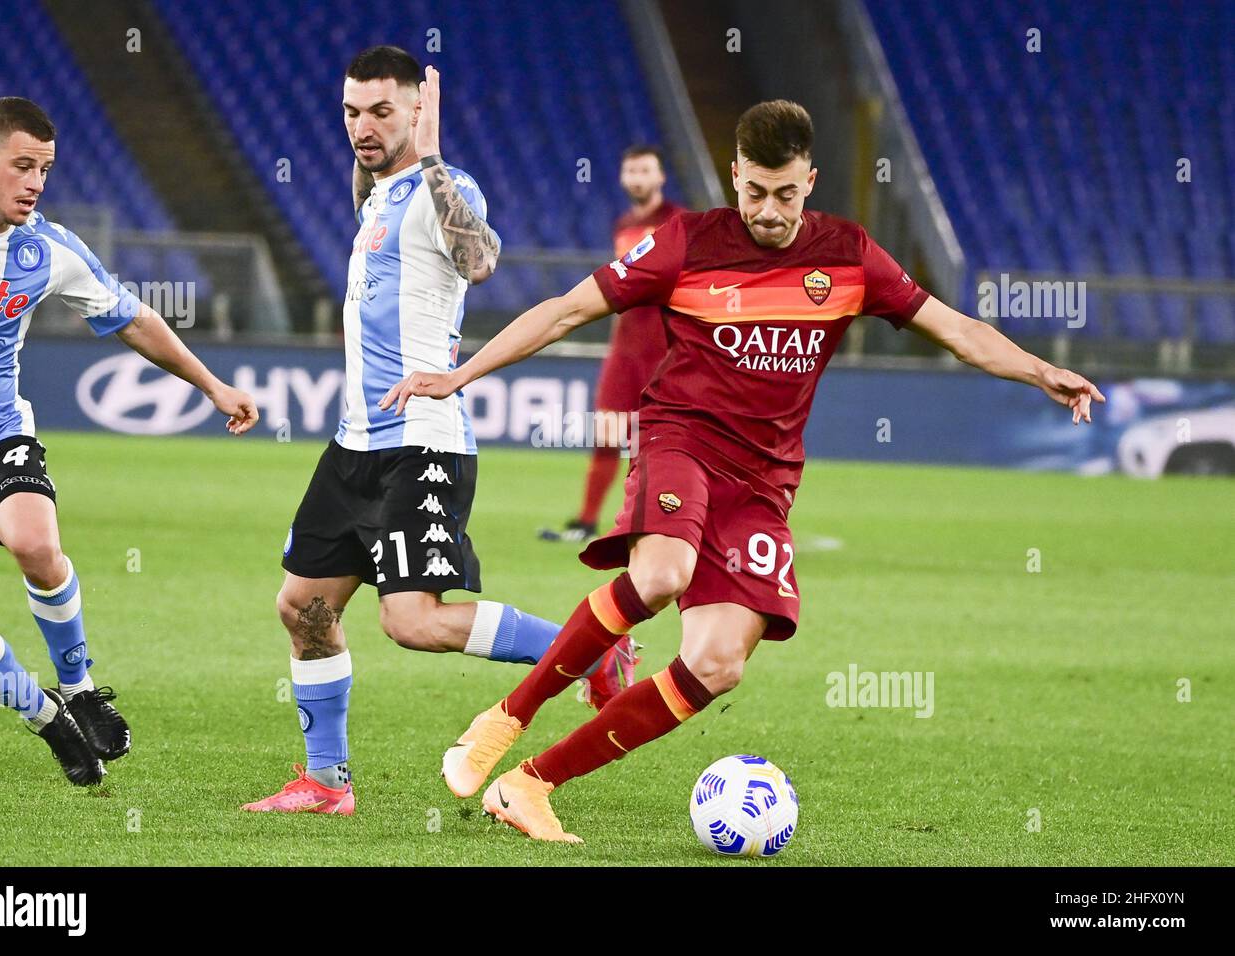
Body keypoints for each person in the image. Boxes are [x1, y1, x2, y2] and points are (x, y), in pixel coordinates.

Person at [382, 99, 1105, 842]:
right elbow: (568, 311)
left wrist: (1039, 370)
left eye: (785, 195)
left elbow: (956, 329)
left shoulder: (849, 256)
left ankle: (531, 784)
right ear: (734, 176)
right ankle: (505, 718)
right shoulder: (688, 243)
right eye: (754, 192)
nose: (768, 211)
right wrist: (460, 373)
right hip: (681, 441)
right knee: (660, 574)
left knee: (718, 664)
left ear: (810, 181)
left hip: (763, 484)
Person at [243, 47, 628, 816]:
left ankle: (595, 648)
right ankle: (326, 784)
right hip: (354, 445)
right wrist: (393, 152)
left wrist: (433, 158)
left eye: (382, 110)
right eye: (351, 111)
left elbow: (482, 260)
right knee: (302, 609)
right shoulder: (380, 196)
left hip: (421, 443)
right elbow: (373, 180)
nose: (362, 125)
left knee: (410, 622)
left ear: (418, 111)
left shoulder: (441, 188)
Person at [0, 97, 259, 787]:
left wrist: (211, 386)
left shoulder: (48, 249)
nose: (34, 183)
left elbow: (135, 320)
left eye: (45, 170)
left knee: (35, 543)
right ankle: (47, 716)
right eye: (22, 166)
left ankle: (79, 686)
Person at [539, 145, 683, 544]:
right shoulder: (623, 224)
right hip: (625, 347)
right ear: (623, 178)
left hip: (667, 349)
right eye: (631, 171)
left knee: (661, 441)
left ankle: (659, 522)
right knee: (607, 434)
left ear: (660, 177)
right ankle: (586, 521)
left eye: (645, 170)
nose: (637, 178)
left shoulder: (679, 222)